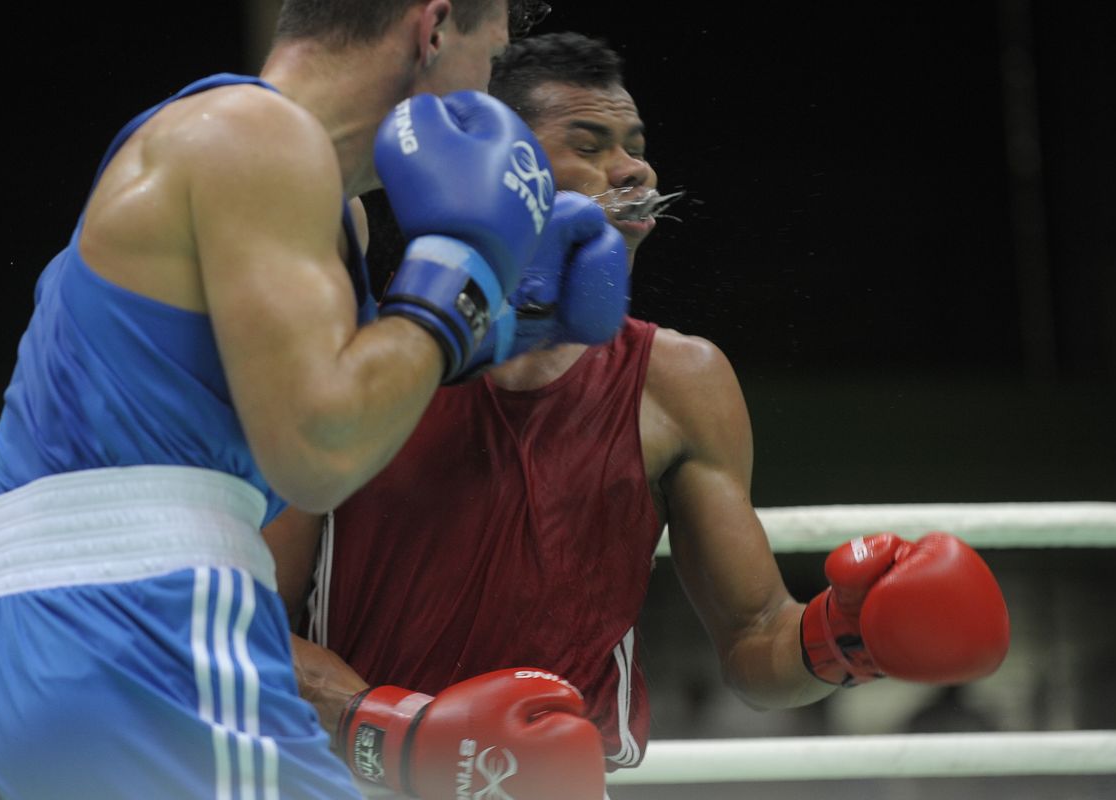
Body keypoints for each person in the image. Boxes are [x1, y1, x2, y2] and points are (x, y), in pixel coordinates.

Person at [0, 2, 631, 798]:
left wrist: (503, 324)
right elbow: (321, 451)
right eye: (490, 61)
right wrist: (464, 270)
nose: (489, 98)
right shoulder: (261, 135)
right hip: (145, 637)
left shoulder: (261, 166)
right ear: (434, 28)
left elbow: (313, 398)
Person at [263, 31, 1012, 797]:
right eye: (590, 144)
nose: (635, 170)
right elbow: (245, 629)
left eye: (636, 146)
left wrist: (844, 637)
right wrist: (403, 737)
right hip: (348, 783)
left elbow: (757, 642)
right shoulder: (364, 360)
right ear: (501, 171)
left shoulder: (678, 381)